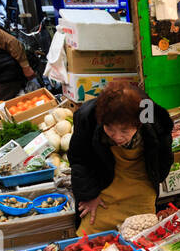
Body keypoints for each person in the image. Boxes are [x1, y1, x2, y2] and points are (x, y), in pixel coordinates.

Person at [68, 77, 173, 233]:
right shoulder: (89, 117)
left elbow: (163, 153)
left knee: (141, 238)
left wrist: (155, 177)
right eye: (110, 129)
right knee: (89, 237)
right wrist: (89, 194)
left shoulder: (149, 115)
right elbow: (79, 159)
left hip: (140, 185)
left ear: (138, 124)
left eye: (124, 131)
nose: (117, 137)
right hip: (104, 186)